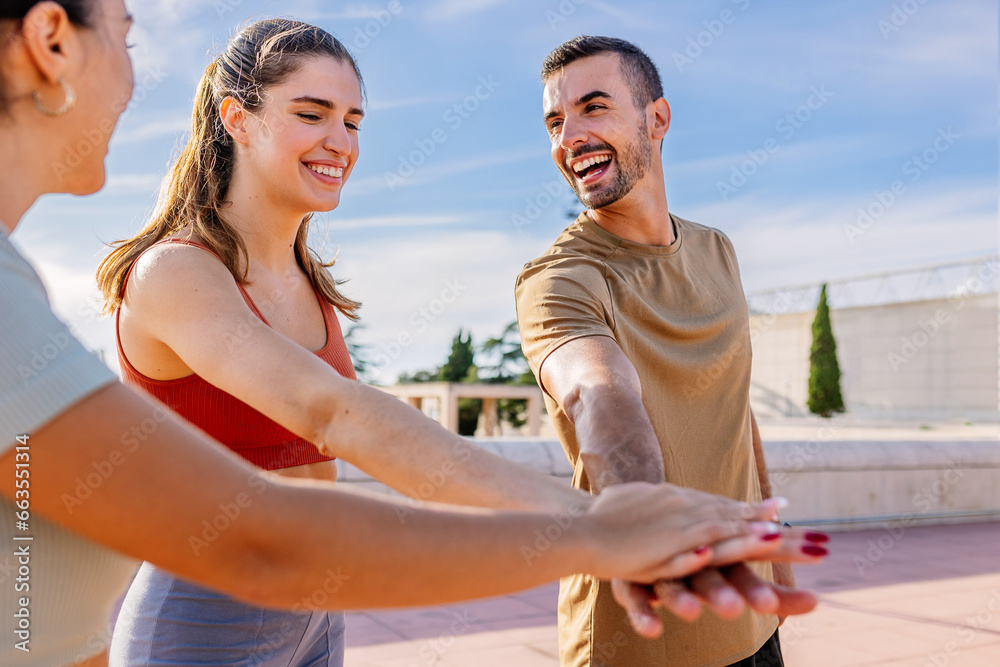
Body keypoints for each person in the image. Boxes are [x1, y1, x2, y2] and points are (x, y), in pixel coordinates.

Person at [0, 3, 820, 664]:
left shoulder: (310, 284)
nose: (341, 141)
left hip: (317, 614)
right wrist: (602, 529)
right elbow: (335, 416)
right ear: (236, 120)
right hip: (210, 614)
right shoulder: (175, 273)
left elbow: (387, 444)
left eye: (353, 119)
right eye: (312, 113)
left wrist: (608, 527)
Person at [515, 36, 826, 667]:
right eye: (554, 122)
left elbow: (734, 408)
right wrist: (645, 512)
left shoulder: (717, 250)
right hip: (636, 636)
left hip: (749, 615)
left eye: (593, 107)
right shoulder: (558, 279)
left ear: (656, 119)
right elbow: (597, 391)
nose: (569, 137)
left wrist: (772, 541)